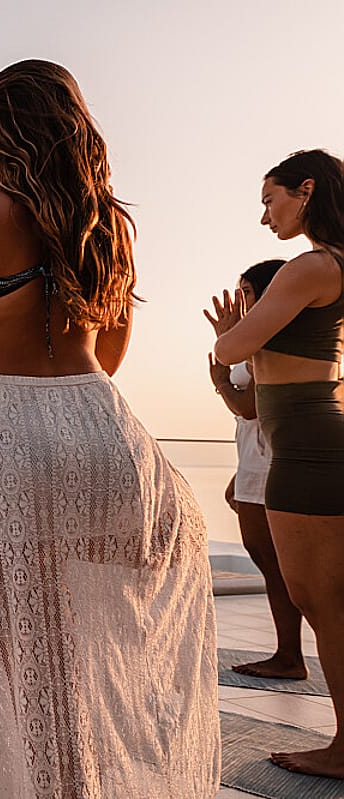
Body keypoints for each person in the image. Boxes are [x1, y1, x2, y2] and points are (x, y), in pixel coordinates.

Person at [0, 60, 218, 797]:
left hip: (7, 440)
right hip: (104, 436)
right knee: (84, 661)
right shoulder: (107, 223)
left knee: (34, 678)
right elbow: (109, 354)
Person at [208, 148, 344, 779]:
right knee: (328, 600)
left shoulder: (312, 265)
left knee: (322, 601)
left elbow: (233, 345)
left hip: (308, 450)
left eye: (270, 199)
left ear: (306, 190)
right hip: (317, 436)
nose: (266, 216)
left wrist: (236, 330)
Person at [208, 259, 306, 680]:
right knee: (272, 564)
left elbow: (250, 408)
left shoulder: (272, 338)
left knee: (276, 564)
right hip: (258, 463)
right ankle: (288, 654)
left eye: (246, 292)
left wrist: (221, 380)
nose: (240, 300)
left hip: (269, 463)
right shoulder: (259, 339)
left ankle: (290, 657)